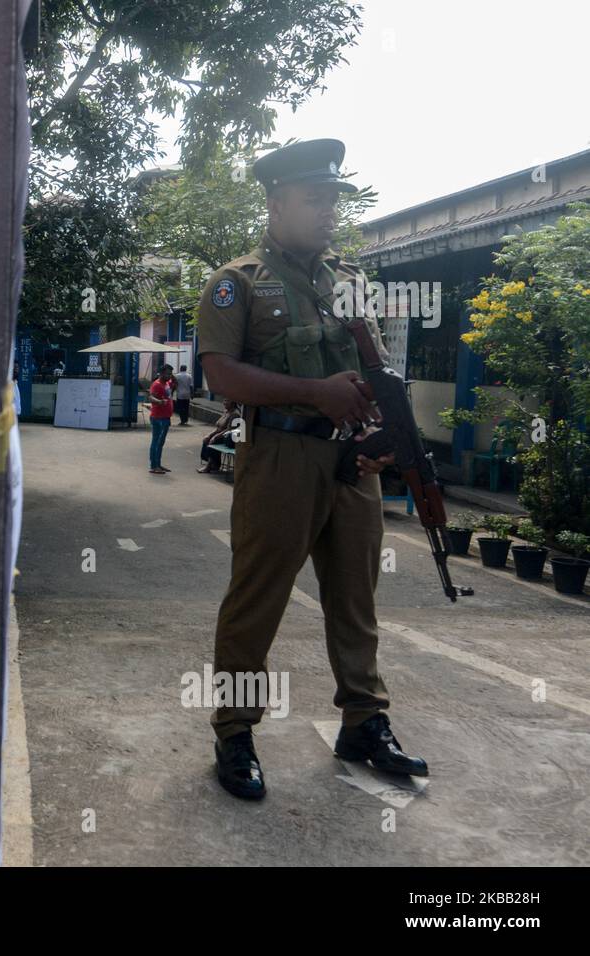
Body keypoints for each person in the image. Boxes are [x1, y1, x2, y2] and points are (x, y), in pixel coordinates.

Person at [194, 138, 426, 801]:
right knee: (256, 598)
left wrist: (387, 436)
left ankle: (365, 721)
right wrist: (313, 394)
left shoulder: (348, 282)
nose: (328, 212)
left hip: (352, 462)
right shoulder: (237, 282)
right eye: (314, 199)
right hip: (279, 457)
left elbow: (374, 369)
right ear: (275, 203)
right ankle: (235, 732)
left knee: (356, 598)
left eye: (334, 200)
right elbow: (221, 373)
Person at [198, 400, 237, 473]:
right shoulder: (226, 412)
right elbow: (218, 427)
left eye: (226, 401)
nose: (224, 403)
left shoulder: (234, 415)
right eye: (224, 400)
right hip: (219, 434)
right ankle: (214, 463)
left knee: (212, 442)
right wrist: (210, 435)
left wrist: (215, 437)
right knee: (206, 439)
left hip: (228, 437)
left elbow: (228, 429)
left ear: (232, 403)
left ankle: (208, 467)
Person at [148, 366, 174, 474]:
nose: (169, 376)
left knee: (160, 442)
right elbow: (151, 397)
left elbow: (174, 383)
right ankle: (154, 466)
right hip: (159, 418)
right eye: (167, 374)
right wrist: (159, 402)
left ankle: (157, 464)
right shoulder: (157, 384)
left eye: (170, 374)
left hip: (165, 417)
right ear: (161, 374)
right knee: (157, 442)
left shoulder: (167, 383)